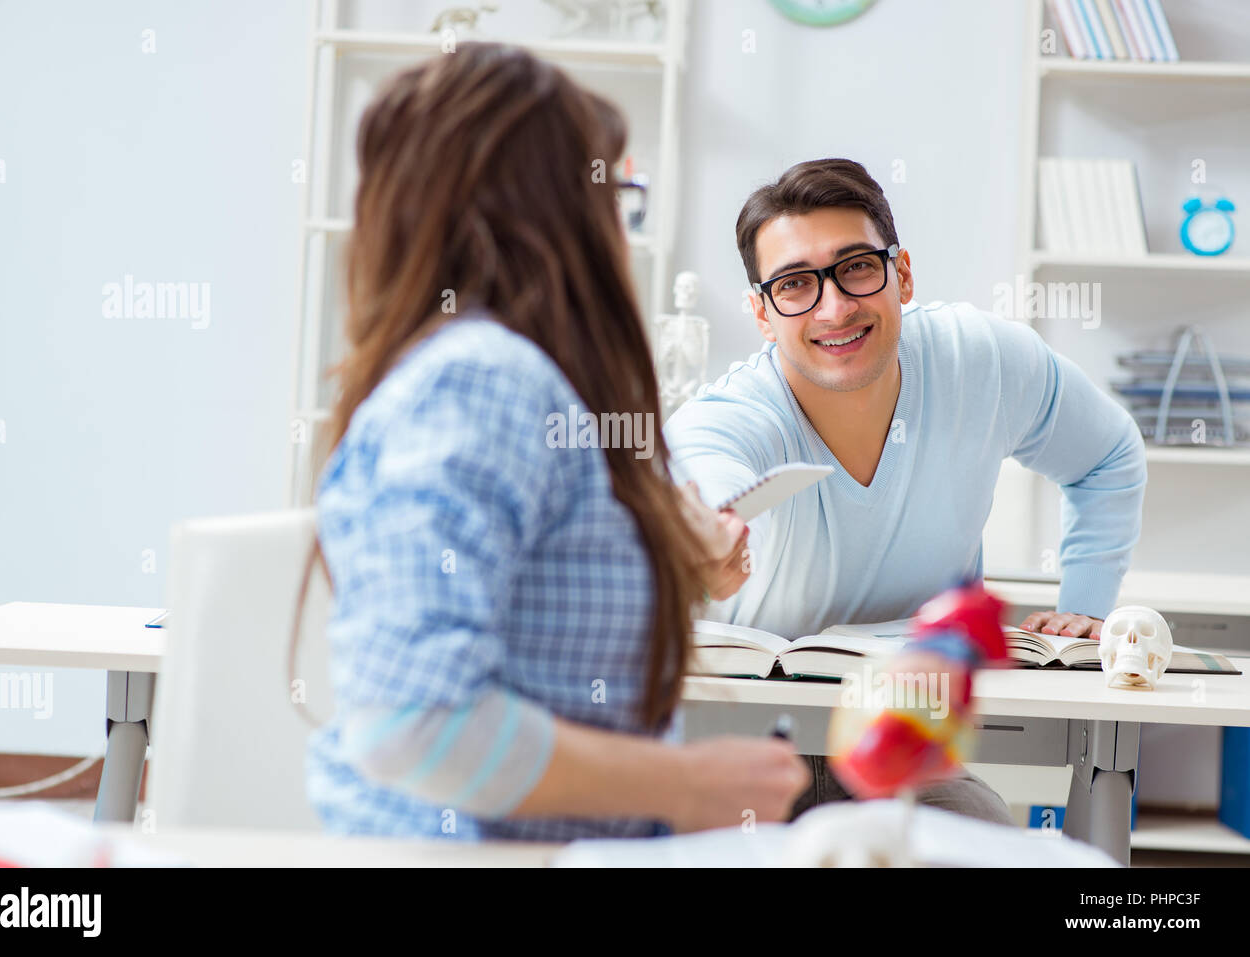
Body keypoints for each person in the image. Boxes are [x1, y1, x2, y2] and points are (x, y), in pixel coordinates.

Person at [301, 43, 809, 842]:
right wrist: (686, 783)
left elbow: (542, 618)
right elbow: (412, 720)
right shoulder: (482, 381)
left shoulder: (522, 381)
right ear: (551, 210)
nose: (619, 222)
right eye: (615, 192)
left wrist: (672, 561)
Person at [665, 159, 1147, 823]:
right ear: (761, 312)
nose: (834, 307)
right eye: (795, 284)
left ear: (903, 273)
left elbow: (1109, 454)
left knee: (987, 844)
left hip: (908, 746)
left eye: (857, 266)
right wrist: (702, 537)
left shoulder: (981, 360)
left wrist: (1086, 605)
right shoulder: (734, 413)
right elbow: (697, 475)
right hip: (748, 748)